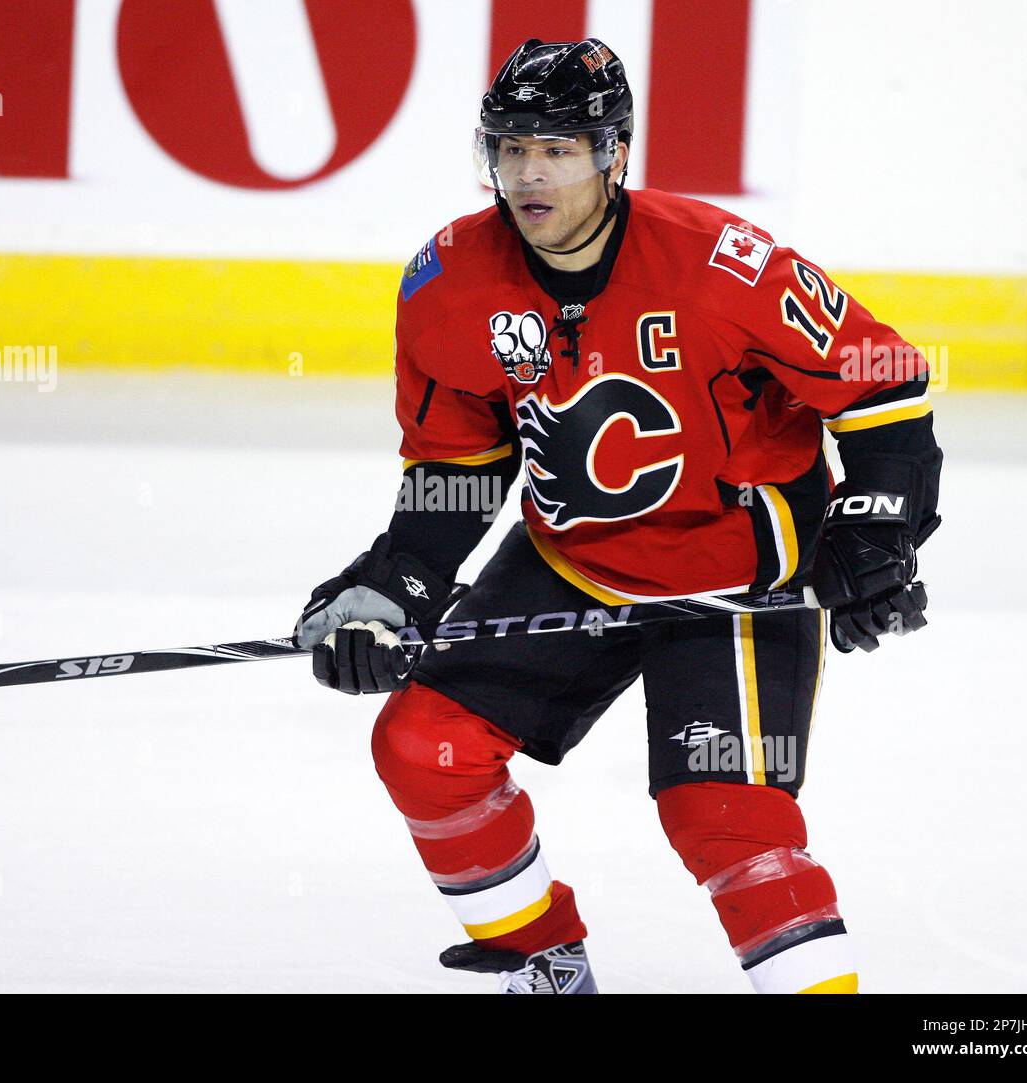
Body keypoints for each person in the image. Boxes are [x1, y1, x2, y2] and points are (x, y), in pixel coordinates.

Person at [295, 38, 942, 994]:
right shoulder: (449, 282)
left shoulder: (723, 264)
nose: (527, 173)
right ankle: (542, 957)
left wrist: (875, 530)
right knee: (423, 748)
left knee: (725, 817)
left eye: (555, 148)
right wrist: (401, 578)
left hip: (740, 579)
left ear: (613, 153)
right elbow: (460, 458)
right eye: (509, 149)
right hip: (573, 563)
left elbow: (885, 382)